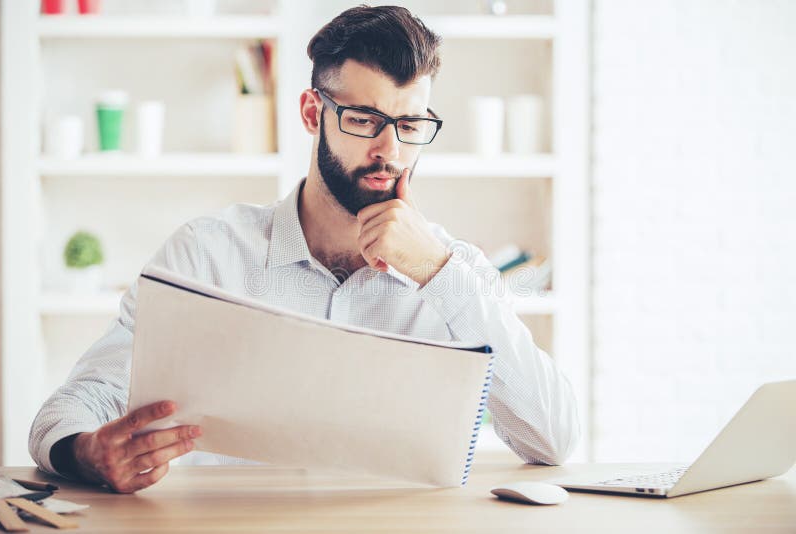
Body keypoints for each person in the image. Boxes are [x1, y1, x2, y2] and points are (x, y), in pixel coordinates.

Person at [29, 5, 579, 494]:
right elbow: (73, 404)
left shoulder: (453, 271)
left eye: (410, 124)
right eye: (364, 120)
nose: (389, 151)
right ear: (313, 114)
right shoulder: (206, 256)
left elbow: (553, 438)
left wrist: (438, 272)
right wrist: (87, 452)